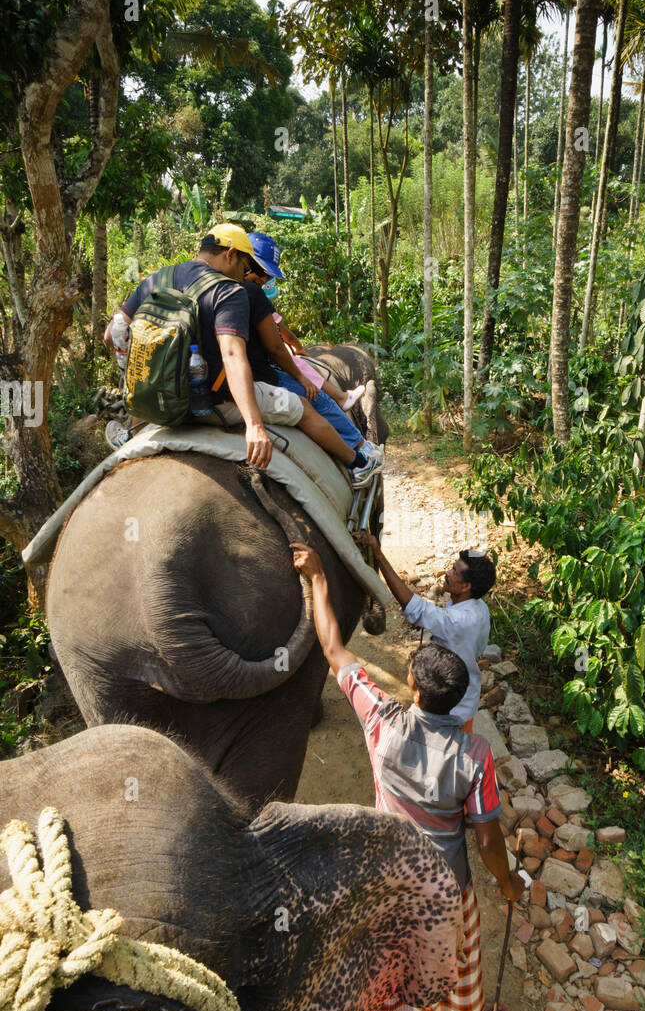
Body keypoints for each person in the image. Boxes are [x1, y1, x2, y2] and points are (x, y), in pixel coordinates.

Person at [290, 541, 524, 1011]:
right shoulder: (476, 753)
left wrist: (319, 578)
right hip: (447, 882)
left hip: (388, 876)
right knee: (454, 964)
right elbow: (487, 838)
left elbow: (334, 650)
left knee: (390, 958)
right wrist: (507, 883)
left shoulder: (381, 722)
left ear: (412, 687)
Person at [104, 224, 381, 487]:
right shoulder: (228, 290)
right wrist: (254, 425)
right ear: (230, 254)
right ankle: (358, 463)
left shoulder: (156, 279)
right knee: (304, 409)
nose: (243, 275)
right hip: (211, 404)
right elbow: (233, 356)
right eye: (244, 267)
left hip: (156, 404)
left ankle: (132, 431)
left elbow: (111, 335)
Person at [357, 536, 496, 732]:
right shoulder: (480, 608)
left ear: (466, 587)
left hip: (450, 710)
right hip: (466, 701)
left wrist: (379, 555)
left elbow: (415, 607)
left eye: (454, 572)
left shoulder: (459, 621)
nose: (448, 573)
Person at [246, 231, 365, 413]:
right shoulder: (258, 298)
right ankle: (340, 397)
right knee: (300, 366)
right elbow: (287, 338)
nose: (265, 280)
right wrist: (300, 351)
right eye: (265, 275)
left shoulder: (229, 291)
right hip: (263, 366)